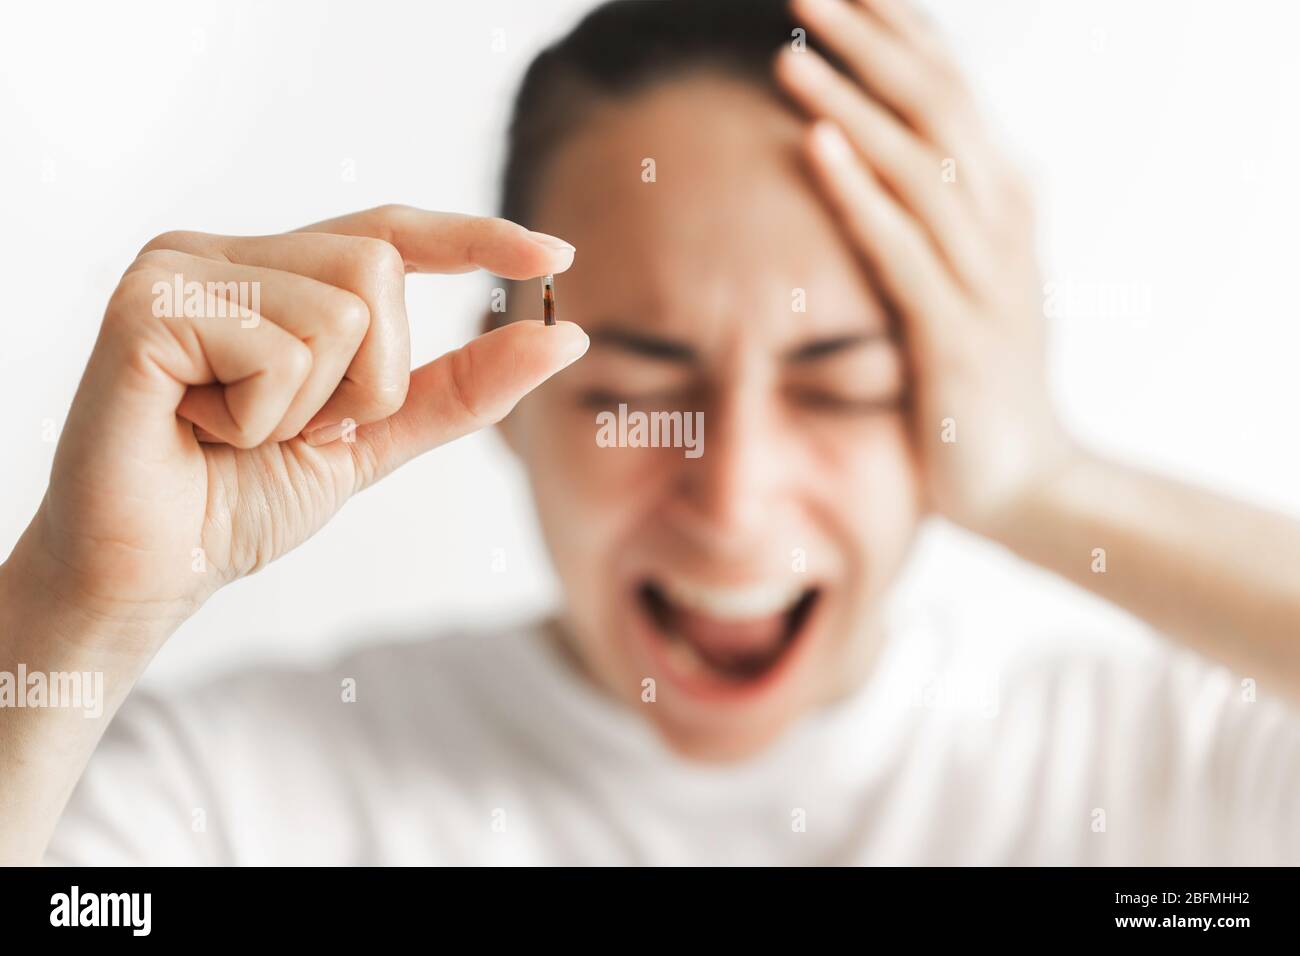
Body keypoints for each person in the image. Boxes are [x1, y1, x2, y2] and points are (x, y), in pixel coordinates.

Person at [3, 0, 1298, 866]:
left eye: (838, 384)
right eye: (632, 388)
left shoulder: (1164, 772)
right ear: (502, 385)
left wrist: (1047, 482)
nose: (731, 502)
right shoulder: (231, 800)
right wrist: (75, 608)